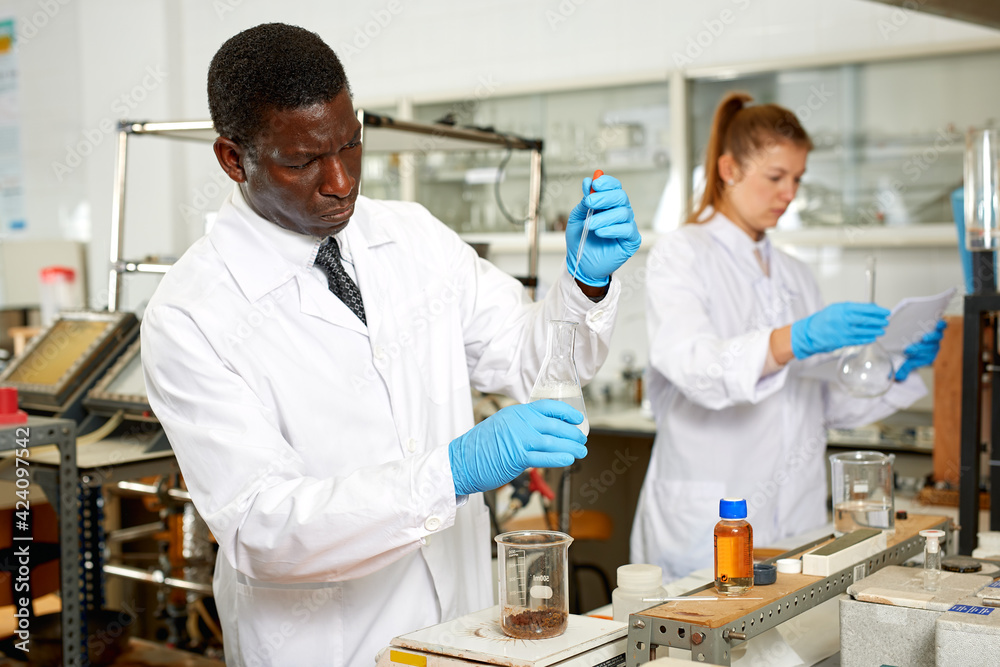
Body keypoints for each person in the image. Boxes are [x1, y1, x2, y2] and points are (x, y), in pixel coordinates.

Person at [139, 23, 640, 666]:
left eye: (351, 145)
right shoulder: (191, 313)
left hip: (464, 634)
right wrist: (450, 473)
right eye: (303, 162)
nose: (342, 181)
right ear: (234, 159)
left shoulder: (412, 236)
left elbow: (535, 361)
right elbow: (262, 527)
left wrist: (587, 287)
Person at [632, 92, 944, 582]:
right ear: (729, 169)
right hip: (710, 517)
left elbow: (820, 402)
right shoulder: (681, 254)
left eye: (797, 179)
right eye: (775, 177)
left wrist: (894, 364)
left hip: (797, 516)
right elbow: (694, 366)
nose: (789, 193)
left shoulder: (795, 274)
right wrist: (792, 339)